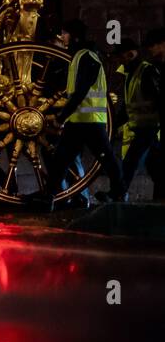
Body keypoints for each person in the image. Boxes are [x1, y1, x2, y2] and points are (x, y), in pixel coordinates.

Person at [24, 19, 126, 210]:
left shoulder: (85, 57)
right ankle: (49, 196)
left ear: (75, 35)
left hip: (88, 121)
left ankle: (119, 191)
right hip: (82, 120)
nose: (62, 37)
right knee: (62, 159)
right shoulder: (83, 56)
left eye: (65, 33)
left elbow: (80, 92)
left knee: (104, 157)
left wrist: (61, 117)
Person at [121, 27, 165, 198]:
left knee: (133, 160)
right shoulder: (154, 68)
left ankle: (118, 191)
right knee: (154, 165)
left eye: (153, 45)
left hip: (150, 128)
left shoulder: (149, 70)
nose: (150, 50)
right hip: (150, 128)